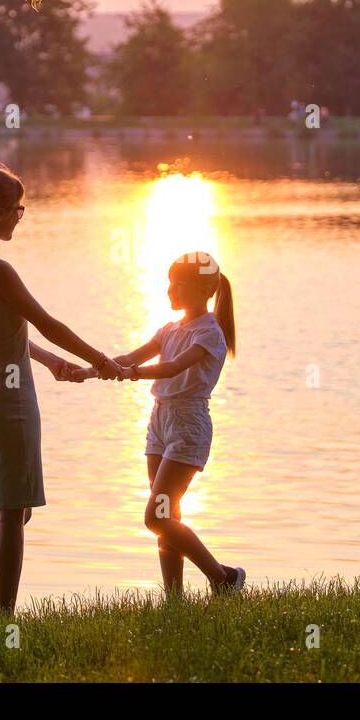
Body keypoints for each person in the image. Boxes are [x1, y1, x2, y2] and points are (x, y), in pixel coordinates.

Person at [0, 163, 124, 619]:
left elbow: (4, 333)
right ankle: (5, 621)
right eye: (18, 209)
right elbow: (49, 323)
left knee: (12, 510)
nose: (21, 216)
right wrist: (102, 360)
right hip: (6, 403)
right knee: (12, 515)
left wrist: (53, 362)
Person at [75, 251, 244, 595]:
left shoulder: (210, 333)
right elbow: (130, 358)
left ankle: (223, 578)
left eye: (177, 283)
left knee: (157, 517)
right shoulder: (169, 329)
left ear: (200, 289)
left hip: (187, 426)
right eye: (169, 282)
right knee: (168, 516)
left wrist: (130, 374)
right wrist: (92, 370)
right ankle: (174, 599)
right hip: (160, 422)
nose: (169, 289)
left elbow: (174, 367)